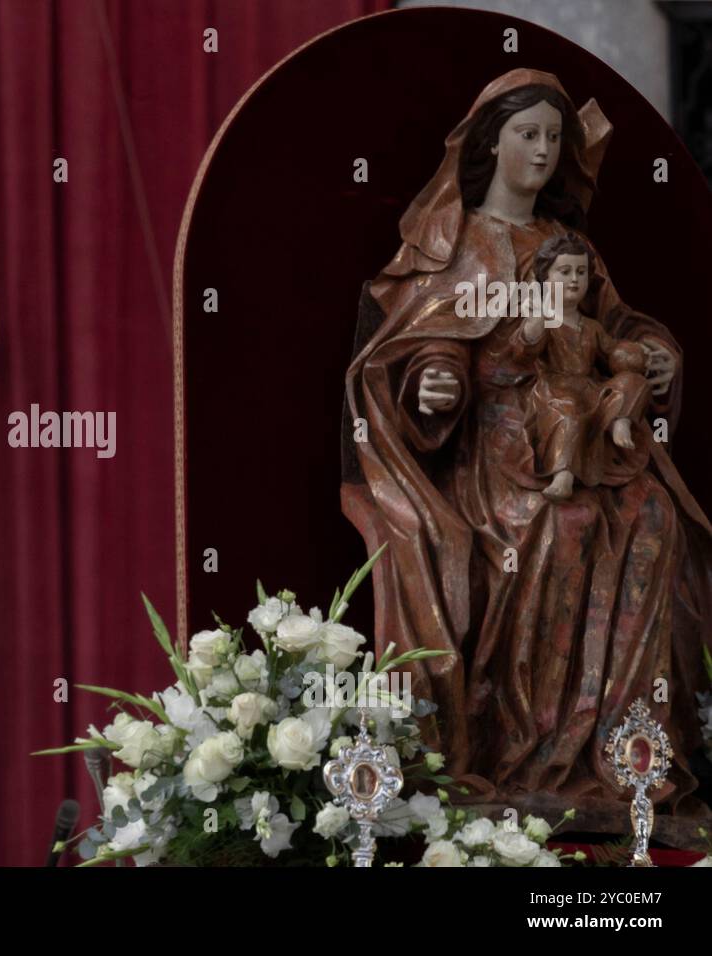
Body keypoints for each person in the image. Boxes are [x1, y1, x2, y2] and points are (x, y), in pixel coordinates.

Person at [344, 69, 712, 813]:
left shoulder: (567, 243)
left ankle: (626, 755)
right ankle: (525, 753)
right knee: (549, 524)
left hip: (584, 432)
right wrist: (432, 384)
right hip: (488, 449)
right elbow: (419, 345)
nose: (544, 152)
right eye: (528, 135)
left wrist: (656, 349)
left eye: (554, 138)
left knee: (653, 518)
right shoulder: (450, 246)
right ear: (490, 143)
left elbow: (616, 325)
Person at [513, 232, 650, 500]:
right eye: (564, 272)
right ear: (545, 279)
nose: (574, 280)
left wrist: (635, 353)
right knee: (568, 412)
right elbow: (522, 351)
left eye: (581, 272)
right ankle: (563, 475)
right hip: (555, 390)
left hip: (590, 389)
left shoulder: (591, 326)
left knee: (635, 382)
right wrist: (537, 319)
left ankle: (619, 420)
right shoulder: (546, 319)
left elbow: (613, 354)